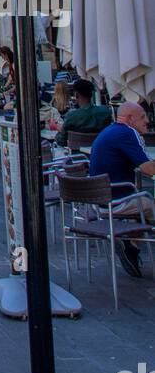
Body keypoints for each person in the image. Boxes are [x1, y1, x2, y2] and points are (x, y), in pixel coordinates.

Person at [89, 102, 155, 278]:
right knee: (149, 204)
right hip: (116, 200)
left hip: (99, 200)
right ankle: (131, 245)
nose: (147, 121)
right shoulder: (128, 132)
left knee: (144, 205)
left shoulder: (111, 130)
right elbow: (149, 169)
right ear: (130, 119)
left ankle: (131, 246)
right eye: (142, 117)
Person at [54, 78, 113, 148]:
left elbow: (61, 141)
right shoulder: (105, 112)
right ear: (91, 95)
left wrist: (59, 131)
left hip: (78, 156)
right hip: (101, 152)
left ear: (77, 95)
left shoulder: (71, 116)